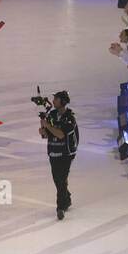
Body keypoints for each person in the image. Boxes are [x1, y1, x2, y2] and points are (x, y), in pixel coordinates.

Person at [39, 90, 78, 219]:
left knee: (61, 179)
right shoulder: (52, 114)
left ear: (63, 101)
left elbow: (61, 134)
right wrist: (43, 128)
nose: (54, 101)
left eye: (56, 99)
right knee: (58, 180)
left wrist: (48, 127)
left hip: (66, 153)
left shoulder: (70, 118)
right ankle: (66, 197)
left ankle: (60, 207)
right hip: (53, 153)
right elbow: (46, 135)